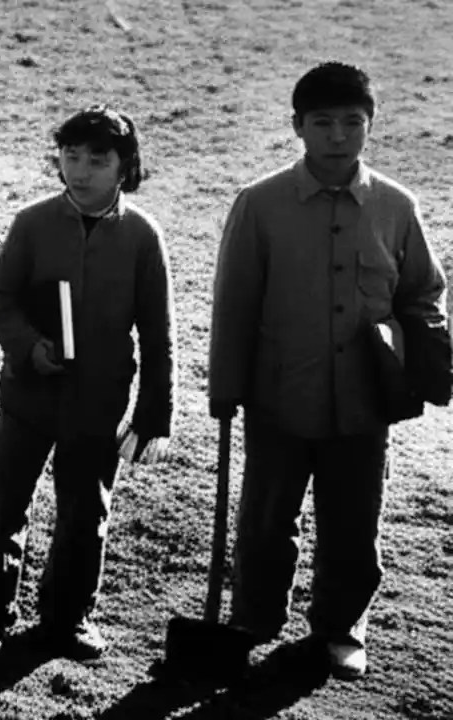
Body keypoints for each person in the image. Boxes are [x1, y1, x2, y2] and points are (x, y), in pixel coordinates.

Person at [208, 62, 448, 680]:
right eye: (322, 123)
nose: (338, 136)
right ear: (297, 126)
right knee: (267, 517)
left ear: (371, 124)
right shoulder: (259, 204)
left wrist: (424, 355)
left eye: (352, 122)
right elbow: (234, 303)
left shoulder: (397, 206)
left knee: (354, 522)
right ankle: (254, 618)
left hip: (366, 402)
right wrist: (226, 388)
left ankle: (342, 628)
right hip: (278, 396)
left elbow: (423, 292)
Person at [0, 105, 176, 660]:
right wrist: (30, 347)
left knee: (85, 512)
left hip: (99, 402)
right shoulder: (32, 222)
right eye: (71, 156)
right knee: (4, 506)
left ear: (125, 166)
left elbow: (158, 332)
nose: (80, 171)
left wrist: (154, 412)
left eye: (97, 161)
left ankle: (68, 618)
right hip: (27, 395)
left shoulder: (143, 236)